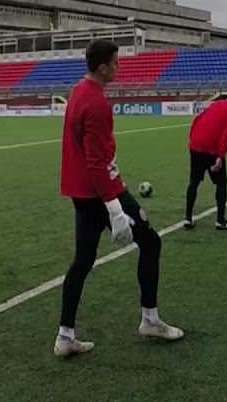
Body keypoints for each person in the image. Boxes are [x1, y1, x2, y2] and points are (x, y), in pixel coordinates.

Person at [55, 39, 184, 358]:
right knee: (151, 243)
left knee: (83, 260)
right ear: (103, 68)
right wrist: (115, 210)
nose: (119, 67)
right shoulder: (96, 103)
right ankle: (150, 320)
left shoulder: (78, 91)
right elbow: (96, 162)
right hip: (101, 191)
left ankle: (65, 336)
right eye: (115, 63)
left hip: (80, 192)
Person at [184, 89, 227, 230]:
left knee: (194, 181)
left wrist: (192, 141)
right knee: (221, 183)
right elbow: (226, 135)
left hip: (196, 145)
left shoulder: (218, 104)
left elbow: (197, 119)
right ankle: (220, 221)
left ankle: (188, 218)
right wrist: (220, 157)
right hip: (211, 149)